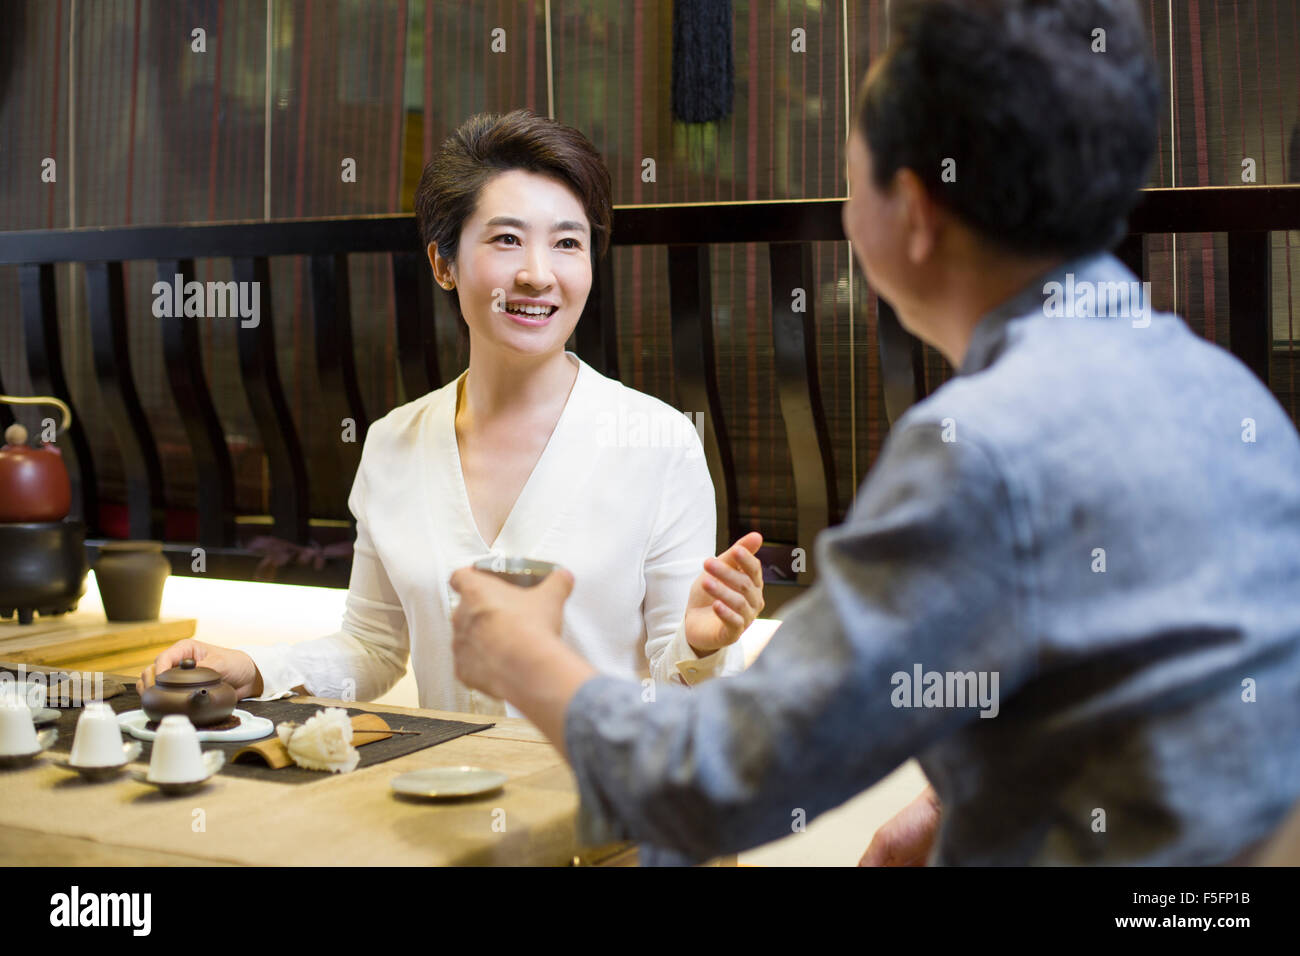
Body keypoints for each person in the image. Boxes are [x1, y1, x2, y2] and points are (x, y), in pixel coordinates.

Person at [446, 0, 1300, 865]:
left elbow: (710, 782)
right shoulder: (1227, 395)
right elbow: (1164, 688)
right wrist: (952, 800)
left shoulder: (982, 451)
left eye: (853, 180)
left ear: (916, 212)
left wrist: (522, 656)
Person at [140, 109, 765, 717]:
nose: (538, 274)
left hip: (596, 784)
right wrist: (256, 668)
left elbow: (683, 680)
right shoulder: (393, 442)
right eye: (507, 239)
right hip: (445, 782)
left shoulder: (659, 441)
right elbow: (373, 647)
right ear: (444, 264)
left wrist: (702, 645)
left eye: (567, 243)